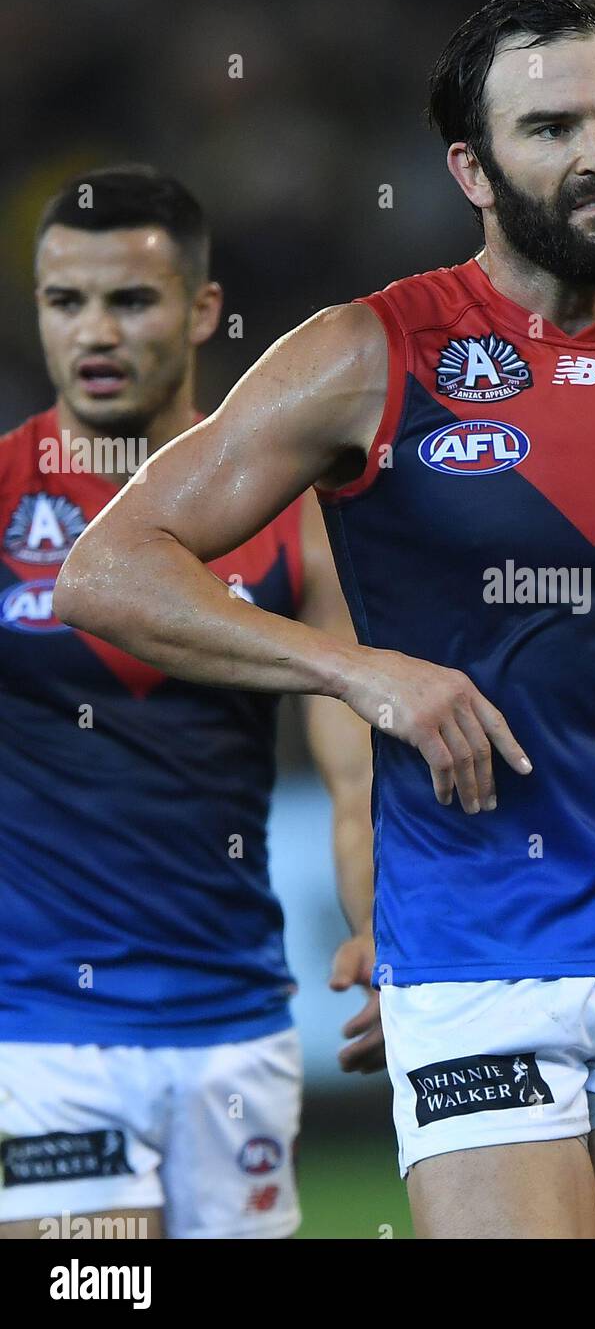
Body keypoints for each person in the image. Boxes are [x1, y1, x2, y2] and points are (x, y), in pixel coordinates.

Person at [53, 0, 595, 1240]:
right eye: (552, 127)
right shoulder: (369, 353)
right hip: (476, 958)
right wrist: (359, 672)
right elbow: (110, 567)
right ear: (471, 167)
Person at [0, 166, 380, 1241]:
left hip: (237, 1023)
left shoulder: (285, 514)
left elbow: (352, 769)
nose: (95, 332)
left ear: (204, 310)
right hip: (45, 1031)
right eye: (64, 302)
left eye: (131, 299)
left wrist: (373, 925)